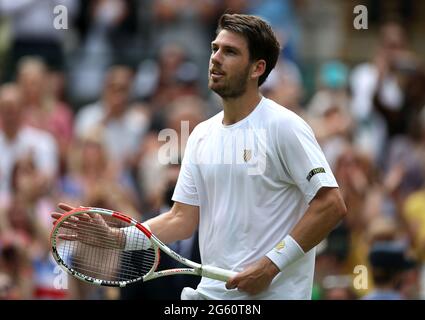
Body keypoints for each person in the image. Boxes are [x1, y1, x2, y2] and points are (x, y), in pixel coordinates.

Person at [52, 13, 346, 300]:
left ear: (257, 68)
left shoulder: (285, 126)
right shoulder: (201, 135)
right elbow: (181, 218)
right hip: (209, 295)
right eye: (214, 48)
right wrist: (121, 238)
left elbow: (330, 205)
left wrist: (271, 266)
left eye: (230, 52)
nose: (216, 58)